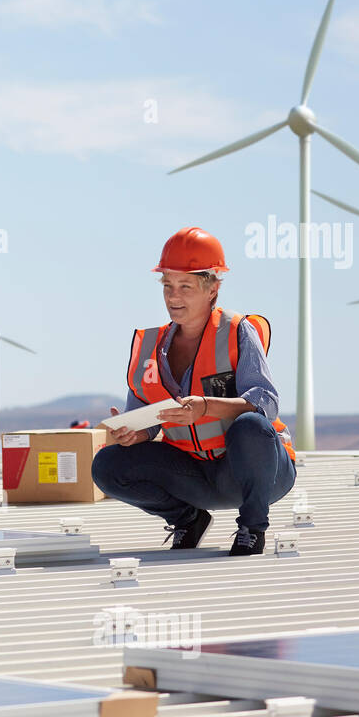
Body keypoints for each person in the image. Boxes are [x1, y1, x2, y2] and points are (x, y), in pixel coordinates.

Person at [91, 227, 297, 555]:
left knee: (252, 425)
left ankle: (252, 528)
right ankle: (188, 519)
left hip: (255, 472)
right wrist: (134, 433)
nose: (174, 297)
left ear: (212, 289)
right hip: (195, 476)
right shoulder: (149, 347)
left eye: (185, 286)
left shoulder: (238, 331)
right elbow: (151, 421)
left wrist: (206, 406)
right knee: (108, 465)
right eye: (168, 286)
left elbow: (266, 403)